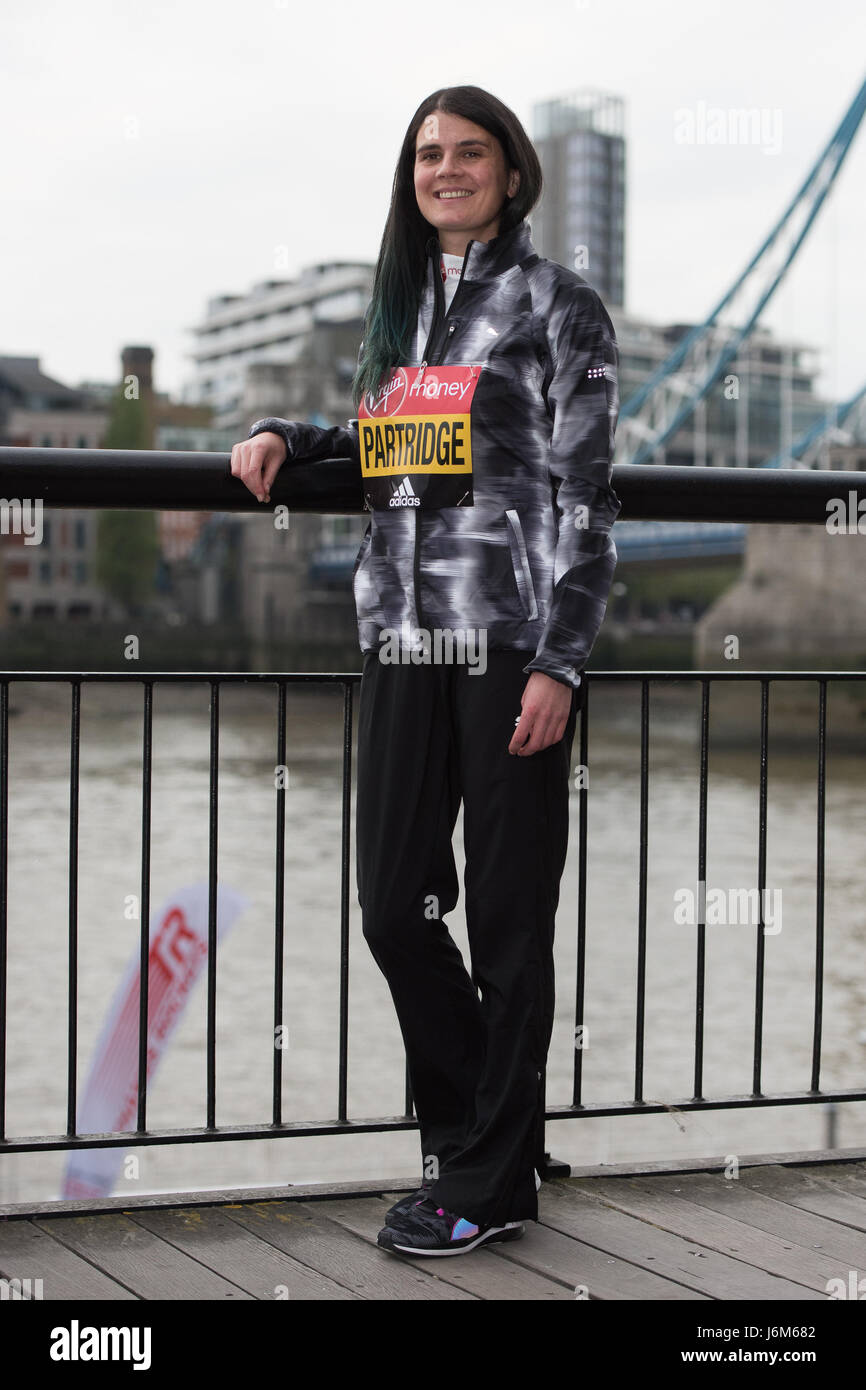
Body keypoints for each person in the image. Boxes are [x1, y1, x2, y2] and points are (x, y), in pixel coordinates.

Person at [230, 84, 621, 1257]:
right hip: (400, 639)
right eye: (425, 155)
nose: (443, 169)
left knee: (505, 923)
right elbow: (386, 459)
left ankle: (488, 1176)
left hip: (505, 649)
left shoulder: (561, 308)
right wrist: (288, 440)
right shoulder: (399, 316)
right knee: (395, 907)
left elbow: (586, 495)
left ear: (510, 172)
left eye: (466, 152)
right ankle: (478, 1138)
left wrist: (560, 661)